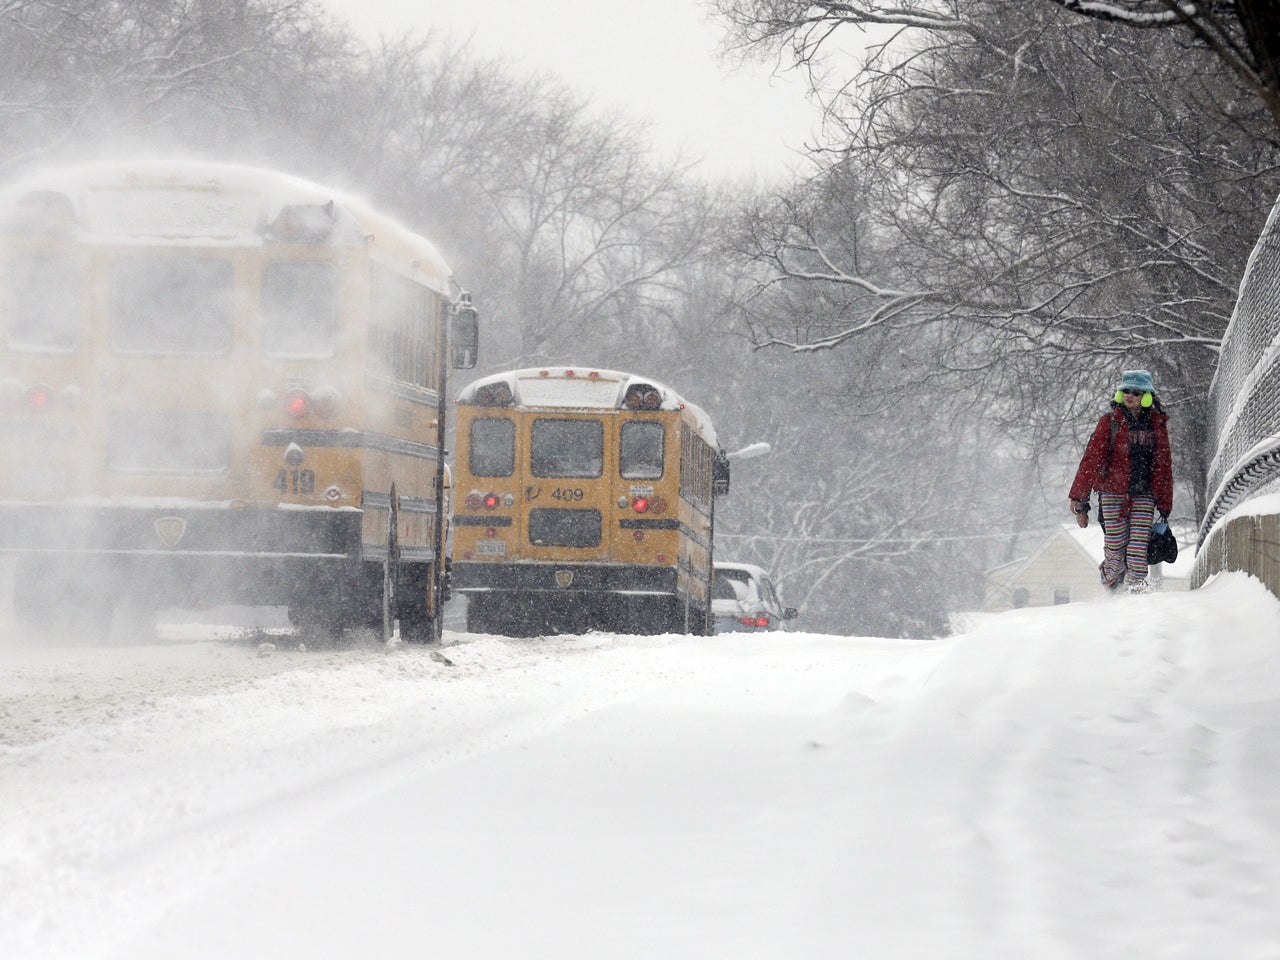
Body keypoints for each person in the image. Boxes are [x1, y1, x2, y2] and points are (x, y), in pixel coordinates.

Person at [1068, 369, 1174, 594]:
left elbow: (1164, 465)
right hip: (1112, 493)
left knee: (1137, 553)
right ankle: (1110, 585)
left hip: (1145, 495)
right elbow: (1091, 460)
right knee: (1115, 552)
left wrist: (1164, 505)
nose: (1130, 396)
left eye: (1136, 392)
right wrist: (1080, 500)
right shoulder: (1110, 422)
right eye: (1126, 391)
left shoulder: (1156, 424)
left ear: (1147, 396)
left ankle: (1133, 596)